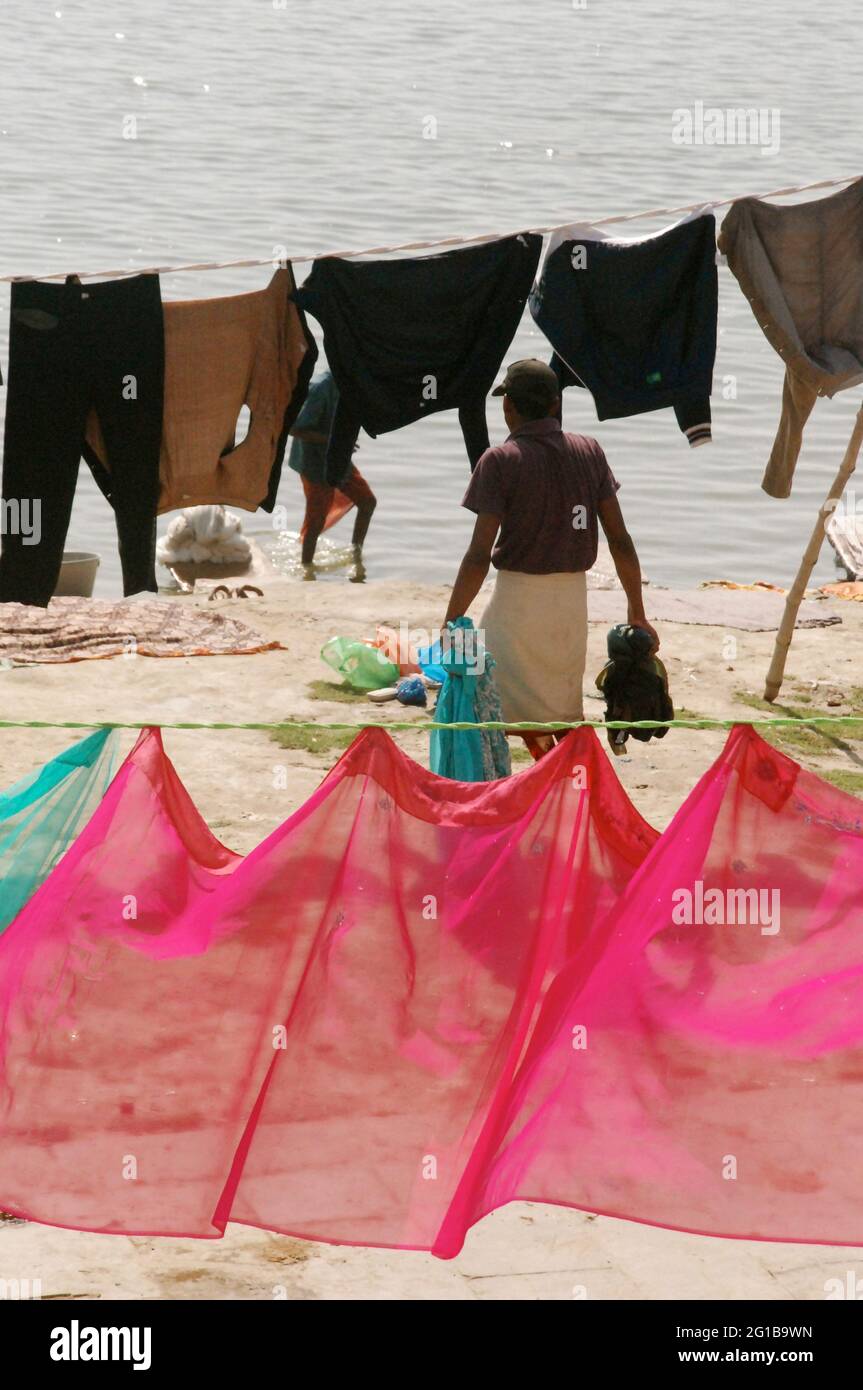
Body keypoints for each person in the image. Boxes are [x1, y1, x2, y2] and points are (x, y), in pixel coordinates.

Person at [443, 358, 657, 754]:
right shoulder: (589, 451)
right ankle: (569, 785)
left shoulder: (500, 461)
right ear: (555, 404)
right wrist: (636, 611)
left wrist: (451, 618)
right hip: (572, 605)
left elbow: (478, 554)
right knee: (560, 712)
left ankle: (543, 788)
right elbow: (621, 540)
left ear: (508, 407)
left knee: (496, 708)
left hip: (517, 604)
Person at [288, 369, 376, 575]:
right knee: (316, 520)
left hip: (337, 457)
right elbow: (294, 429)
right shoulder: (320, 387)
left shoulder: (352, 382)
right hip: (314, 462)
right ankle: (307, 569)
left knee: (367, 501)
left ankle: (356, 554)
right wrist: (335, 440)